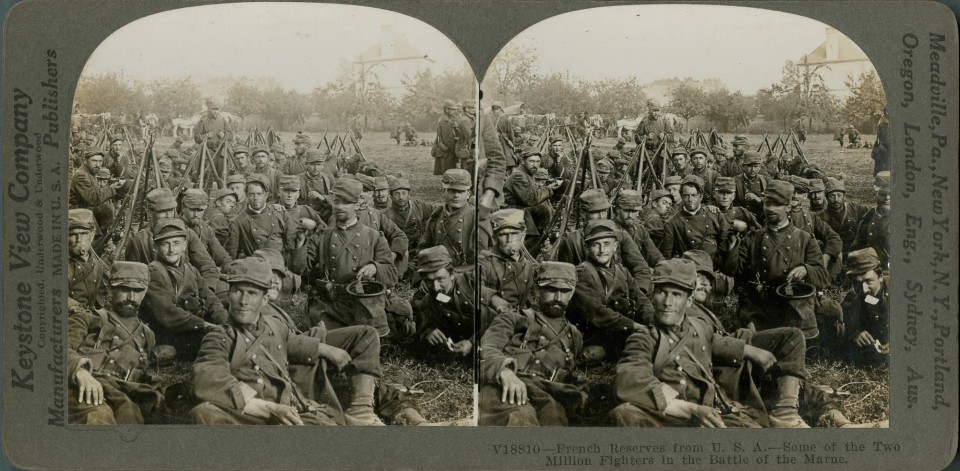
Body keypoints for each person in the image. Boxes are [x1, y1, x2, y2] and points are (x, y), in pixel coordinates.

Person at [189, 257, 381, 425]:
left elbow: (293, 343)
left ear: (265, 299)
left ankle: (361, 412)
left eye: (252, 293)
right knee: (205, 412)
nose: (243, 301)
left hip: (294, 411)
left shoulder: (274, 326)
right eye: (238, 291)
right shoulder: (220, 337)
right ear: (229, 294)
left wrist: (327, 349)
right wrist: (268, 408)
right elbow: (208, 379)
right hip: (258, 414)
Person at [609, 259, 761, 428]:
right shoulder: (644, 338)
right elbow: (630, 379)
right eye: (662, 292)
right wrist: (690, 409)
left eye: (676, 294)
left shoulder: (700, 327)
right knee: (625, 413)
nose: (667, 302)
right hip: (675, 417)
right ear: (653, 296)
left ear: (689, 300)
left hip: (715, 416)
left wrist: (753, 351)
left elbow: (718, 342)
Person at [683, 250, 810, 427]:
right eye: (698, 276)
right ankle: (785, 414)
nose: (704, 284)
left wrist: (745, 335)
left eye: (708, 279)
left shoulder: (700, 309)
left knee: (791, 351)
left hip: (730, 362)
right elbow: (701, 340)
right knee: (790, 339)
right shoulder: (681, 307)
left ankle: (796, 411)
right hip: (722, 373)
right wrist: (749, 349)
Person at [479, 262, 587, 426]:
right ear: (538, 290)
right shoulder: (513, 318)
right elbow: (486, 348)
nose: (558, 297)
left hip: (547, 395)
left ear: (571, 293)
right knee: (521, 418)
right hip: (506, 389)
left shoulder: (575, 336)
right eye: (551, 290)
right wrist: (503, 371)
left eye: (564, 291)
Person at [290, 179, 398, 336]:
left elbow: (391, 273)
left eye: (346, 202)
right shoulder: (322, 236)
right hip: (330, 304)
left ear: (357, 204)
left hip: (364, 302)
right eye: (336, 201)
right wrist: (300, 242)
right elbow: (299, 269)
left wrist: (375, 267)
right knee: (330, 339)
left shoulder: (373, 236)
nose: (340, 207)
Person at [68, 262, 165, 424]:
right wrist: (79, 370)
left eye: (137, 291)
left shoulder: (148, 335)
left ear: (145, 292)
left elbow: (144, 375)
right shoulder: (88, 318)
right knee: (100, 415)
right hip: (84, 388)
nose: (130, 298)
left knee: (130, 417)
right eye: (124, 289)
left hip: (121, 395)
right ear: (111, 289)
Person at [734, 180, 829, 340]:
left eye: (777, 204)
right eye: (767, 203)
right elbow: (734, 270)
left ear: (788, 207)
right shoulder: (753, 238)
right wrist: (731, 245)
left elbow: (822, 276)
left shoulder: (804, 238)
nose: (770, 209)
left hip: (795, 305)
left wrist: (806, 269)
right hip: (760, 306)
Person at [141, 218, 228, 360]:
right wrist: (205, 325)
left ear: (184, 245)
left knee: (230, 335)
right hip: (172, 334)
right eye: (165, 244)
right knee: (219, 343)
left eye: (176, 243)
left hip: (194, 327)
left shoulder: (190, 269)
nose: (171, 249)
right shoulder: (154, 272)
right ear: (156, 247)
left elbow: (210, 299)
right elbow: (168, 313)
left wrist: (226, 322)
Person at [569, 220, 652, 362]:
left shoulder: (622, 271)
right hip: (598, 335)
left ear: (615, 246)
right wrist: (636, 327)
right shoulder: (583, 272)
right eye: (596, 245)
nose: (602, 250)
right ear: (587, 248)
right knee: (596, 353)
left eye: (607, 244)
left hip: (624, 330)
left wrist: (655, 322)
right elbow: (596, 312)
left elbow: (641, 301)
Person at [124, 188, 221, 290]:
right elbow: (133, 279)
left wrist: (206, 292)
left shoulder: (187, 233)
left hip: (187, 293)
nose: (167, 216)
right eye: (162, 211)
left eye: (170, 210)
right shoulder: (139, 241)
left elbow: (208, 267)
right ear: (149, 212)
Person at [659, 175, 734, 271]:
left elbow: (726, 244)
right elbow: (667, 255)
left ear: (701, 196)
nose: (690, 200)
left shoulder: (715, 215)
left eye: (694, 195)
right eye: (686, 195)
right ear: (681, 196)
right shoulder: (673, 223)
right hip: (690, 271)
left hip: (715, 269)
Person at [412, 246, 476, 358]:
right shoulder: (428, 300)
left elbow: (498, 321)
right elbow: (422, 320)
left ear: (452, 274)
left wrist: (472, 342)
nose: (436, 287)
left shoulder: (474, 285)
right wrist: (428, 333)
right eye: (429, 281)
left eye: (440, 279)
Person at [418, 169, 486, 270]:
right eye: (451, 190)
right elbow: (424, 247)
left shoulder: (476, 218)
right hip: (438, 270)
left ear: (468, 194)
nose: (456, 196)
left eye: (461, 191)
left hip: (465, 272)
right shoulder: (436, 216)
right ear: (444, 192)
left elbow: (483, 259)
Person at [225, 173, 299, 260]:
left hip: (281, 265)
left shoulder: (280, 212)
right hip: (257, 268)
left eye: (259, 193)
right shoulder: (238, 222)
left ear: (266, 195)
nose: (255, 198)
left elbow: (293, 244)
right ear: (246, 195)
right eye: (252, 194)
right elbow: (232, 253)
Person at [478, 209, 538, 310]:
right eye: (503, 235)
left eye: (514, 233)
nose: (510, 239)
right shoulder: (484, 260)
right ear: (495, 238)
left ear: (523, 236)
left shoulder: (528, 265)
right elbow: (473, 287)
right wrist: (493, 298)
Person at [837, 248, 889, 366]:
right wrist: (855, 334)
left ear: (880, 276)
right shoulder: (854, 296)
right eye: (858, 282)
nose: (864, 289)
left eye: (868, 281)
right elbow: (841, 320)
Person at [503, 147, 562, 242]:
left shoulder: (527, 174)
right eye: (532, 161)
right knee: (544, 210)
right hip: (512, 210)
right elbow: (530, 199)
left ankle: (540, 240)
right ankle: (534, 245)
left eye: (538, 162)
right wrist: (549, 189)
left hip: (521, 209)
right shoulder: (518, 175)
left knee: (546, 208)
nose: (535, 165)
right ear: (523, 161)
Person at [69, 149, 126, 247]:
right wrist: (111, 189)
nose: (98, 164)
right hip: (79, 211)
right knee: (97, 237)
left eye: (100, 161)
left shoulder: (90, 173)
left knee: (107, 209)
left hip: (87, 209)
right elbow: (92, 198)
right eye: (94, 161)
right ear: (85, 161)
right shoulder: (81, 175)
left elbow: (96, 191)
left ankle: (105, 241)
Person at [383, 177, 434, 274]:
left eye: (404, 193)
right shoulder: (385, 214)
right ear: (391, 196)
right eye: (397, 194)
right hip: (400, 250)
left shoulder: (419, 206)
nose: (401, 197)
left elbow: (437, 213)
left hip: (420, 247)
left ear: (409, 194)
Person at [179, 189, 233, 268]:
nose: (196, 214)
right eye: (192, 209)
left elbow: (221, 255)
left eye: (200, 210)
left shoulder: (205, 229)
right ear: (183, 207)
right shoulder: (176, 228)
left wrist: (231, 268)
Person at [611, 190, 664, 268]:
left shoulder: (639, 229)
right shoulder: (610, 229)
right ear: (618, 209)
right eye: (626, 210)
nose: (630, 215)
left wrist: (663, 264)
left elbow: (653, 252)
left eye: (634, 211)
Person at [68, 209, 108, 310]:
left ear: (92, 234)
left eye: (84, 234)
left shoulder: (97, 265)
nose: (79, 239)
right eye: (73, 234)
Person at [820, 177, 870, 258]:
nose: (836, 199)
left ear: (844, 196)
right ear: (826, 198)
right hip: (834, 254)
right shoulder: (821, 216)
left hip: (855, 251)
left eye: (839, 195)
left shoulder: (854, 208)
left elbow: (872, 214)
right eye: (832, 196)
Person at [853, 171, 891, 270]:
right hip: (874, 269)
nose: (887, 198)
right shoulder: (868, 218)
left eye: (891, 194)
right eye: (882, 194)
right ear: (876, 194)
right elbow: (858, 246)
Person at [298, 150, 336, 221]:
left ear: (322, 165)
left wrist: (324, 198)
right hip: (305, 216)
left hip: (324, 216)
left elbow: (336, 198)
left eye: (318, 164)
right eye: (312, 164)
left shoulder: (328, 178)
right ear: (306, 164)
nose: (315, 168)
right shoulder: (298, 179)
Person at [733, 151, 767, 219]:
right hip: (742, 218)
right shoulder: (735, 181)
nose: (752, 170)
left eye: (756, 166)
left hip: (760, 217)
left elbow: (772, 200)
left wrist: (760, 200)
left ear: (759, 167)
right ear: (743, 166)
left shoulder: (764, 180)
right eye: (749, 166)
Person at [434, 99, 461, 175]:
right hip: (448, 149)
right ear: (446, 109)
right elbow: (448, 139)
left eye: (454, 109)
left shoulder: (450, 118)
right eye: (452, 109)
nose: (454, 111)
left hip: (448, 148)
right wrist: (455, 150)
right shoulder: (445, 120)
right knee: (449, 170)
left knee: (450, 170)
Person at [491, 101, 518, 173]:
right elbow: (510, 134)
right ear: (501, 109)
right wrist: (513, 144)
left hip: (492, 142)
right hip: (503, 142)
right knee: (508, 160)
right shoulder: (506, 120)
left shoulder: (489, 118)